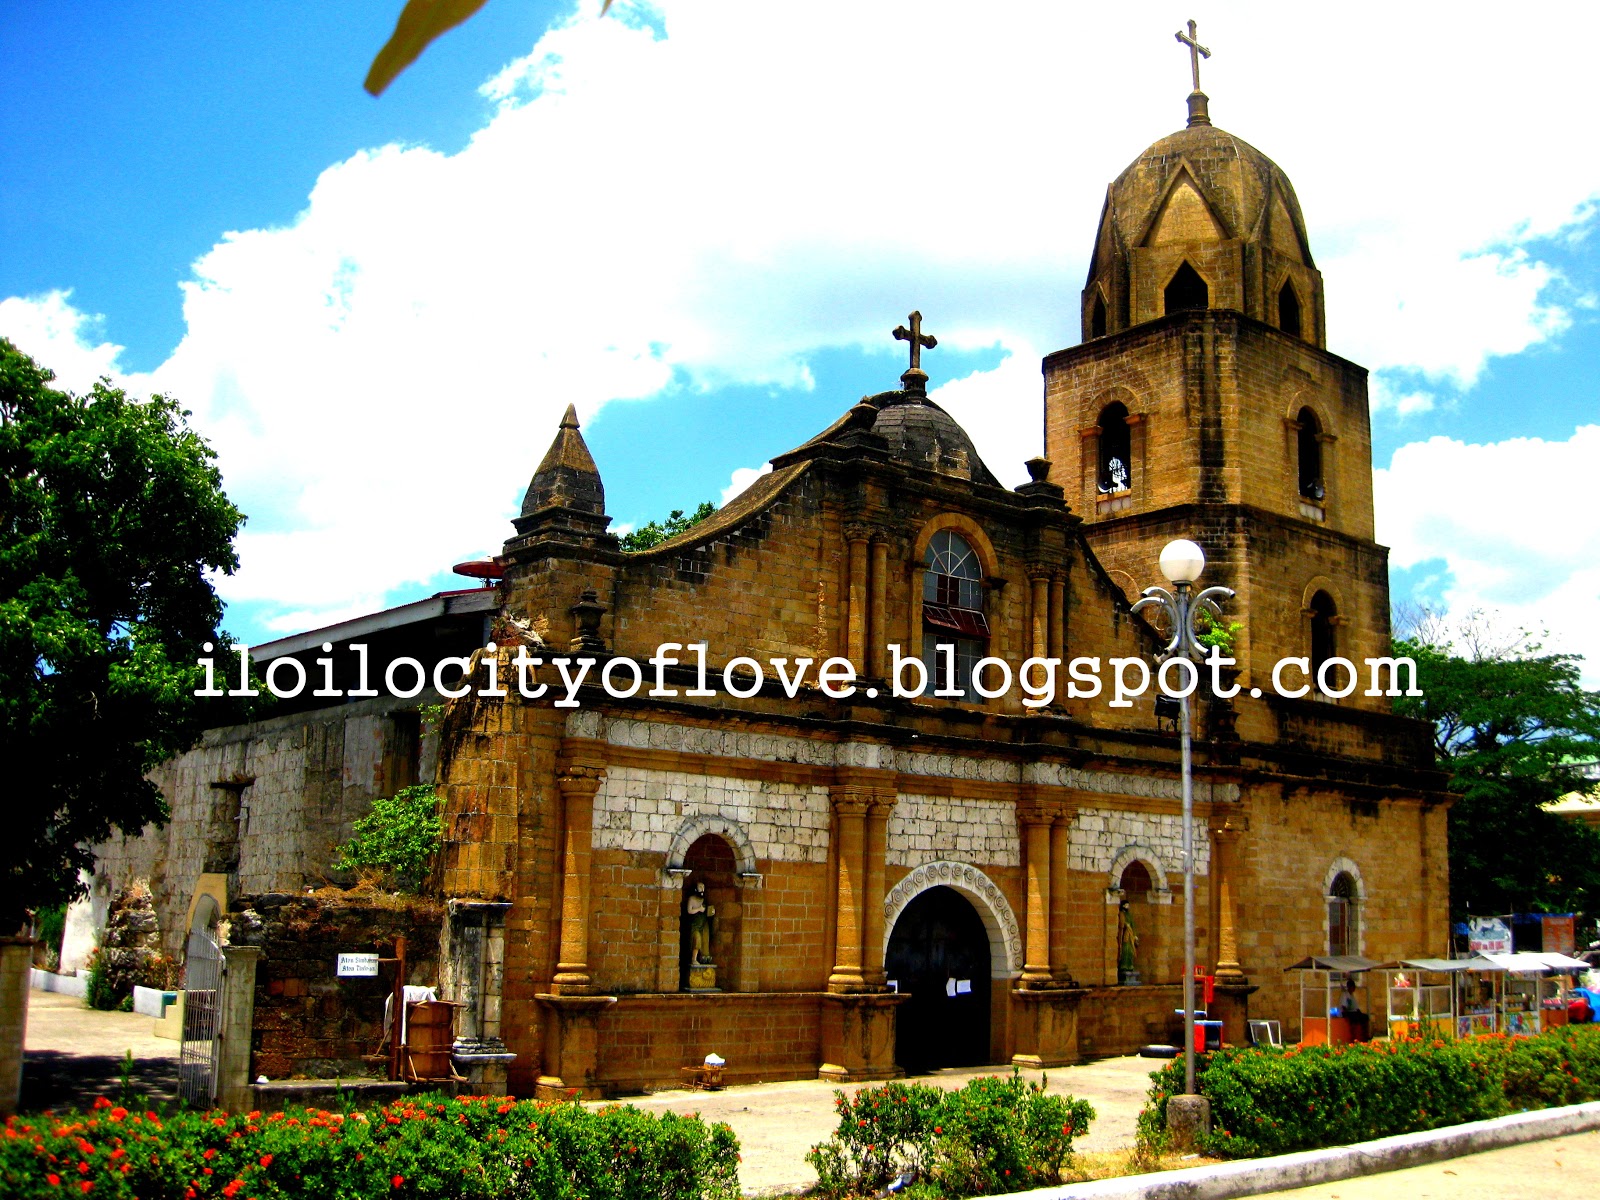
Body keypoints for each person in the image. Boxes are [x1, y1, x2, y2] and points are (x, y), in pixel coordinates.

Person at [685, 880, 717, 966]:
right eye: (700, 887)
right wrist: (698, 909)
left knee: (705, 940)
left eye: (703, 887)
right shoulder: (691, 899)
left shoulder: (704, 900)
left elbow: (708, 911)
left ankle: (704, 957)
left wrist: (712, 912)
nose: (702, 889)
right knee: (697, 939)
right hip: (695, 924)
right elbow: (689, 910)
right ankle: (693, 958)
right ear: (696, 889)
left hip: (703, 924)